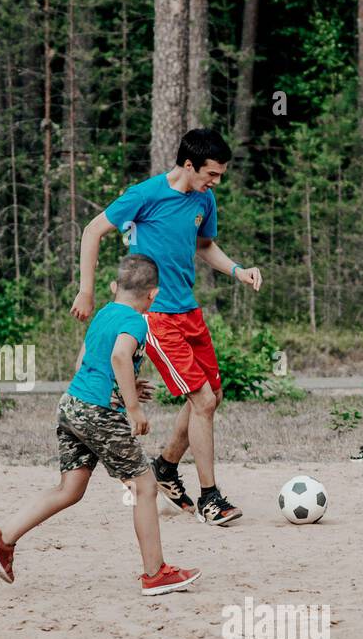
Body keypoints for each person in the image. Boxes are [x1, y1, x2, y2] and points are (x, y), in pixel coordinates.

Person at [0, 254, 201, 596]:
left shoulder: (103, 314)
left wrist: (123, 385)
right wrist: (133, 407)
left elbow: (86, 361)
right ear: (153, 295)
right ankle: (155, 573)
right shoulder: (138, 321)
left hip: (71, 405)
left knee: (70, 489)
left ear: (114, 286)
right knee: (145, 486)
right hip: (98, 413)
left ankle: (2, 538)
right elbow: (119, 356)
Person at [73, 128, 262, 526]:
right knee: (203, 402)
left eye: (221, 176)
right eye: (212, 174)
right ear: (188, 165)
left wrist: (237, 270)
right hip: (155, 316)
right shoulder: (146, 194)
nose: (216, 183)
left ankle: (165, 468)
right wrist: (86, 291)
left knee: (212, 396)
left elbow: (204, 245)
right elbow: (93, 231)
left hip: (189, 312)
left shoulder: (204, 199)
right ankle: (211, 500)